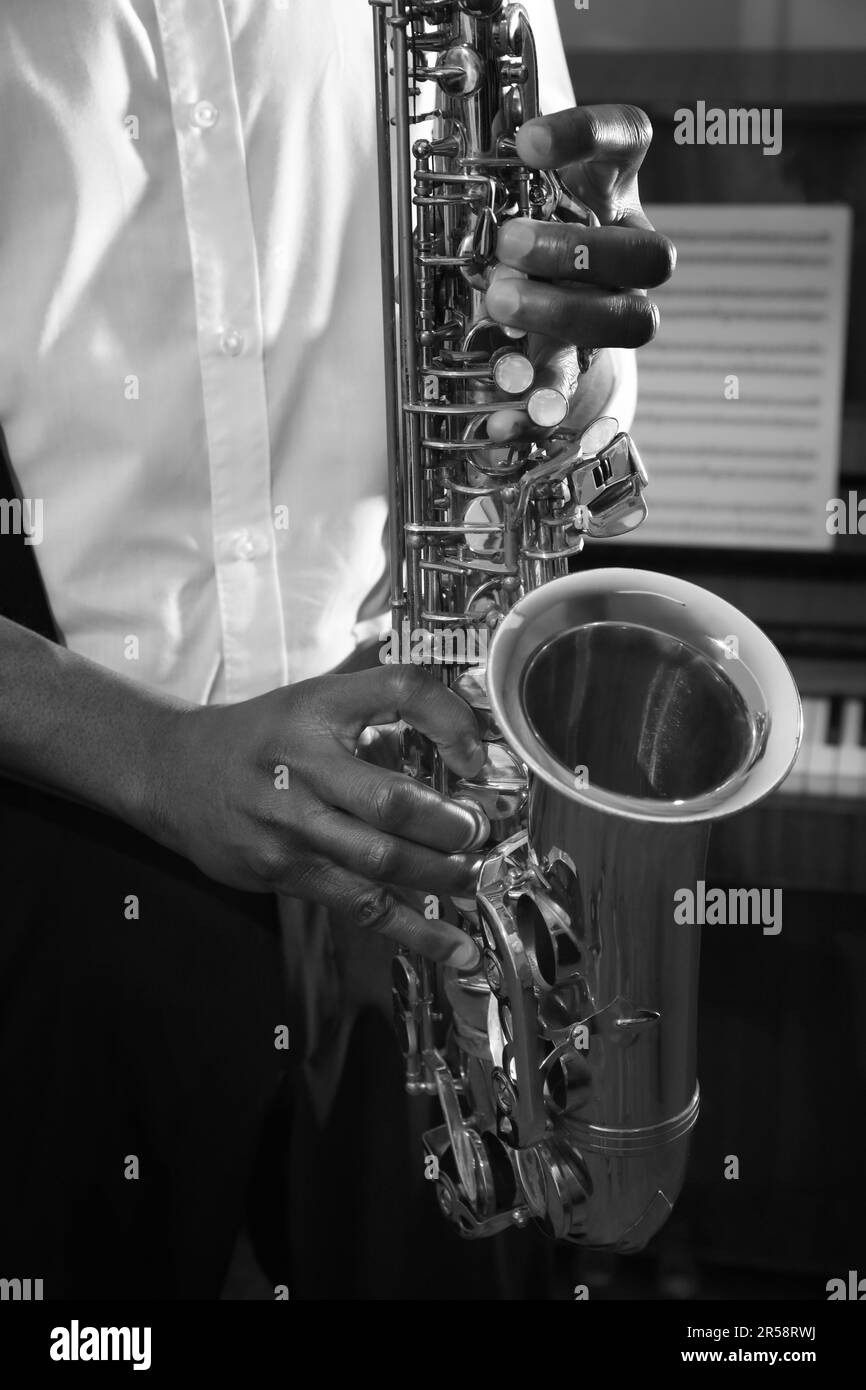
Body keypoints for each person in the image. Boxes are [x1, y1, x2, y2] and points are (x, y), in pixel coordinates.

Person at [0, 0, 674, 1299]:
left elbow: (575, 444)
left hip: (418, 828)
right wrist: (150, 751)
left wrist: (570, 380)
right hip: (49, 845)